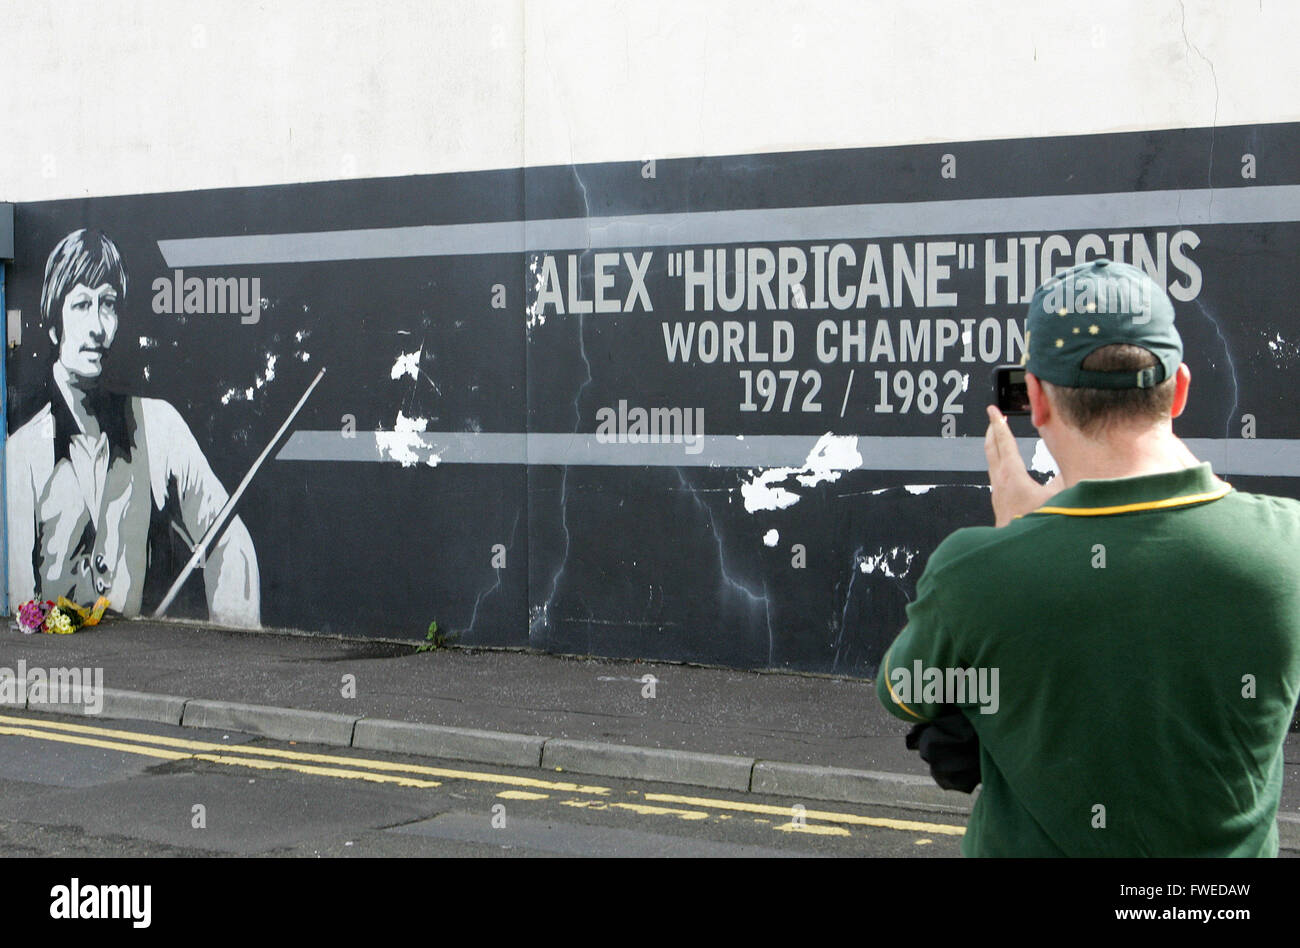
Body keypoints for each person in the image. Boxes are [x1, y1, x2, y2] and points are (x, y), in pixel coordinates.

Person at [877, 258, 1300, 857]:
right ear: (1178, 389)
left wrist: (1017, 535)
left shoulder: (973, 570)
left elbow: (903, 691)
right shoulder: (1288, 545)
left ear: (1037, 400)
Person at [6, 228, 260, 627]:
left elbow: (229, 537)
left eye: (107, 304)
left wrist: (233, 634)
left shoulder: (158, 425)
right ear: (54, 322)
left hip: (136, 660)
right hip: (59, 666)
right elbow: (19, 603)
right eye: (81, 305)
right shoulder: (21, 454)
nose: (98, 326)